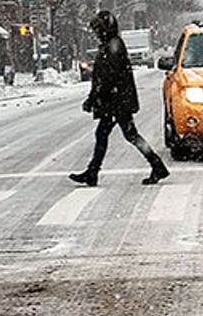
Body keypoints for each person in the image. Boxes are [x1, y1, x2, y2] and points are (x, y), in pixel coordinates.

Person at [69, 10, 169, 187]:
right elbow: (103, 78)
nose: (96, 33)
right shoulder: (111, 45)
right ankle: (93, 172)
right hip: (116, 100)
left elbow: (107, 78)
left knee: (126, 135)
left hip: (116, 101)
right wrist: (95, 96)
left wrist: (93, 98)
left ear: (105, 29)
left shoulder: (113, 46)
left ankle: (156, 165)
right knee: (114, 134)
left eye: (98, 29)